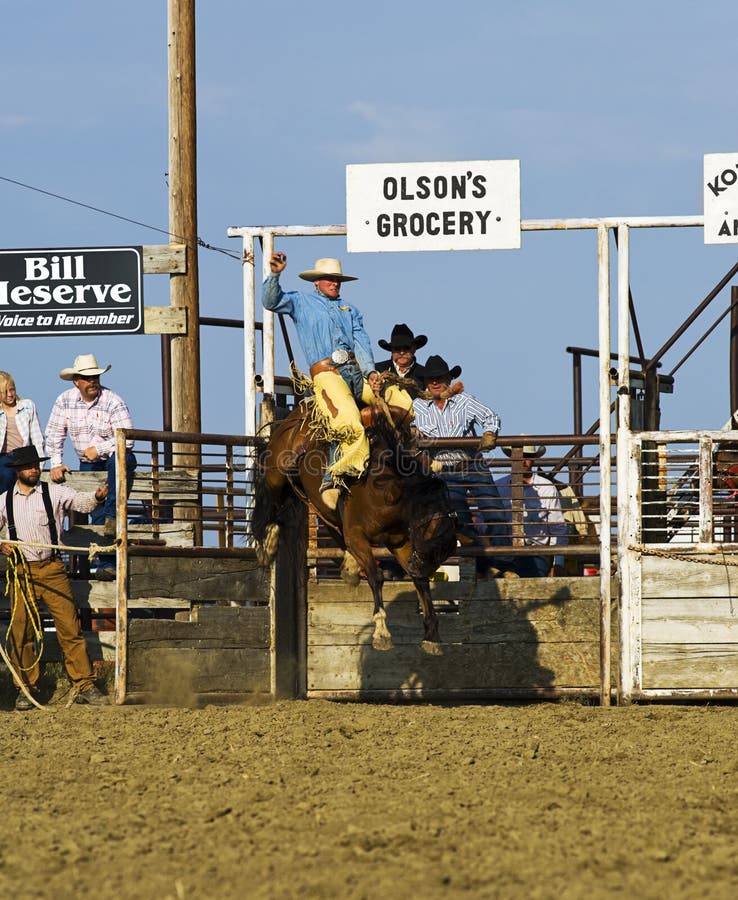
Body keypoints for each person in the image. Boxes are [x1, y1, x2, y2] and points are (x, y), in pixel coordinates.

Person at [262, 254, 413, 510]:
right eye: (329, 279)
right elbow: (271, 301)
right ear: (316, 282)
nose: (334, 283)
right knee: (348, 420)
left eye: (337, 280)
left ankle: (413, 454)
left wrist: (371, 373)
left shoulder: (351, 310)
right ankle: (333, 478)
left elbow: (362, 343)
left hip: (355, 370)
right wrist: (275, 275)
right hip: (327, 373)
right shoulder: (301, 301)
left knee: (402, 401)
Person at [0, 445, 109, 709]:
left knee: (69, 628)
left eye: (36, 465)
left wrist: (96, 496)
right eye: (29, 466)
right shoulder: (3, 501)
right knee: (20, 631)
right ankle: (25, 688)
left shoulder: (53, 492)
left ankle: (84, 683)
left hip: (51, 569)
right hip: (21, 571)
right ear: (18, 471)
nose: (34, 470)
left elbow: (79, 501)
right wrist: (1, 545)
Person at [45, 354, 136, 579]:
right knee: (96, 510)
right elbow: (54, 435)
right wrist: (55, 464)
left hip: (114, 458)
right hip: (88, 464)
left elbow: (129, 439)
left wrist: (100, 449)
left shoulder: (113, 400)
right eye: (87, 377)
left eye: (95, 376)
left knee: (121, 461)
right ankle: (107, 563)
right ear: (77, 380)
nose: (92, 381)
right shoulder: (64, 401)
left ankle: (113, 515)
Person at [412, 354, 505, 576]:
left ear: (448, 379)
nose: (435, 383)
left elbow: (490, 416)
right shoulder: (418, 406)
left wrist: (490, 433)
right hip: (444, 470)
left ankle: (504, 565)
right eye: (431, 379)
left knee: (496, 514)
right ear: (425, 382)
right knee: (460, 521)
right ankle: (482, 567)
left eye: (439, 378)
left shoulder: (464, 400)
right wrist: (415, 436)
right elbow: (409, 432)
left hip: (472, 464)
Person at [496, 442, 569, 577]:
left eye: (527, 456)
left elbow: (558, 528)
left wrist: (557, 563)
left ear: (534, 459)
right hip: (503, 552)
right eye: (519, 457)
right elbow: (484, 523)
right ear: (511, 459)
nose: (523, 461)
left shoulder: (546, 487)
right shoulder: (498, 486)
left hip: (535, 553)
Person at [0, 370, 46, 496]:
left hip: (24, 454)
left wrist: (40, 464)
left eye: (12, 389)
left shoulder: (27, 406)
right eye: (5, 392)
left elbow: (37, 437)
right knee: (5, 474)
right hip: (4, 456)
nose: (10, 394)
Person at [375, 323, 427, 390]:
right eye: (397, 348)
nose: (402, 352)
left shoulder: (425, 375)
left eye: (406, 348)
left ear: (414, 349)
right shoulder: (377, 370)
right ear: (391, 350)